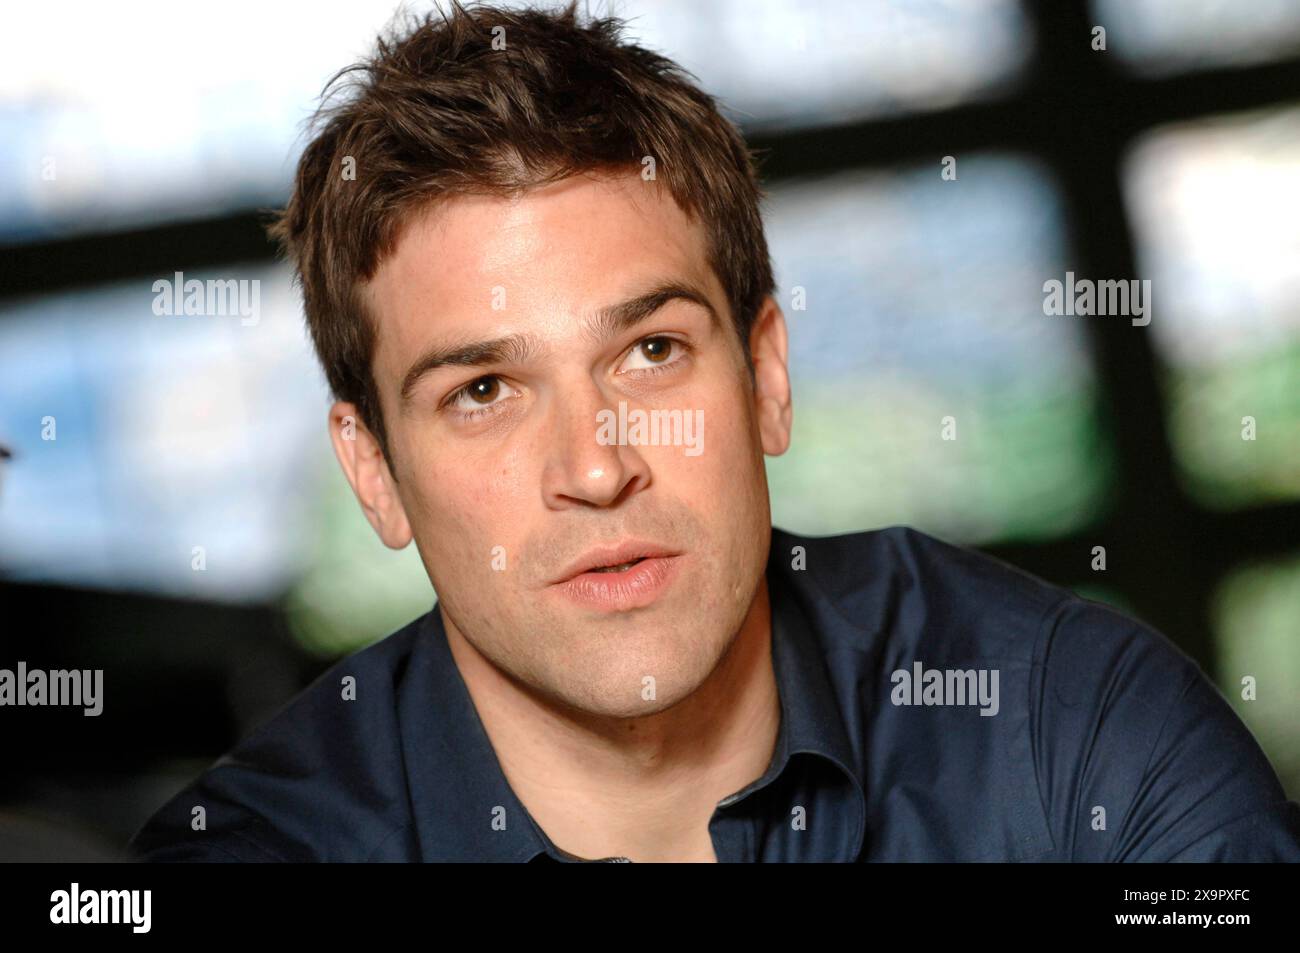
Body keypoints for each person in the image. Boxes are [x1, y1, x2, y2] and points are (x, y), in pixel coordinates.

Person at [128, 1, 1300, 862]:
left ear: (766, 377)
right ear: (374, 471)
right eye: (483, 390)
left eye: (650, 351)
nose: (594, 465)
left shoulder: (1068, 728)